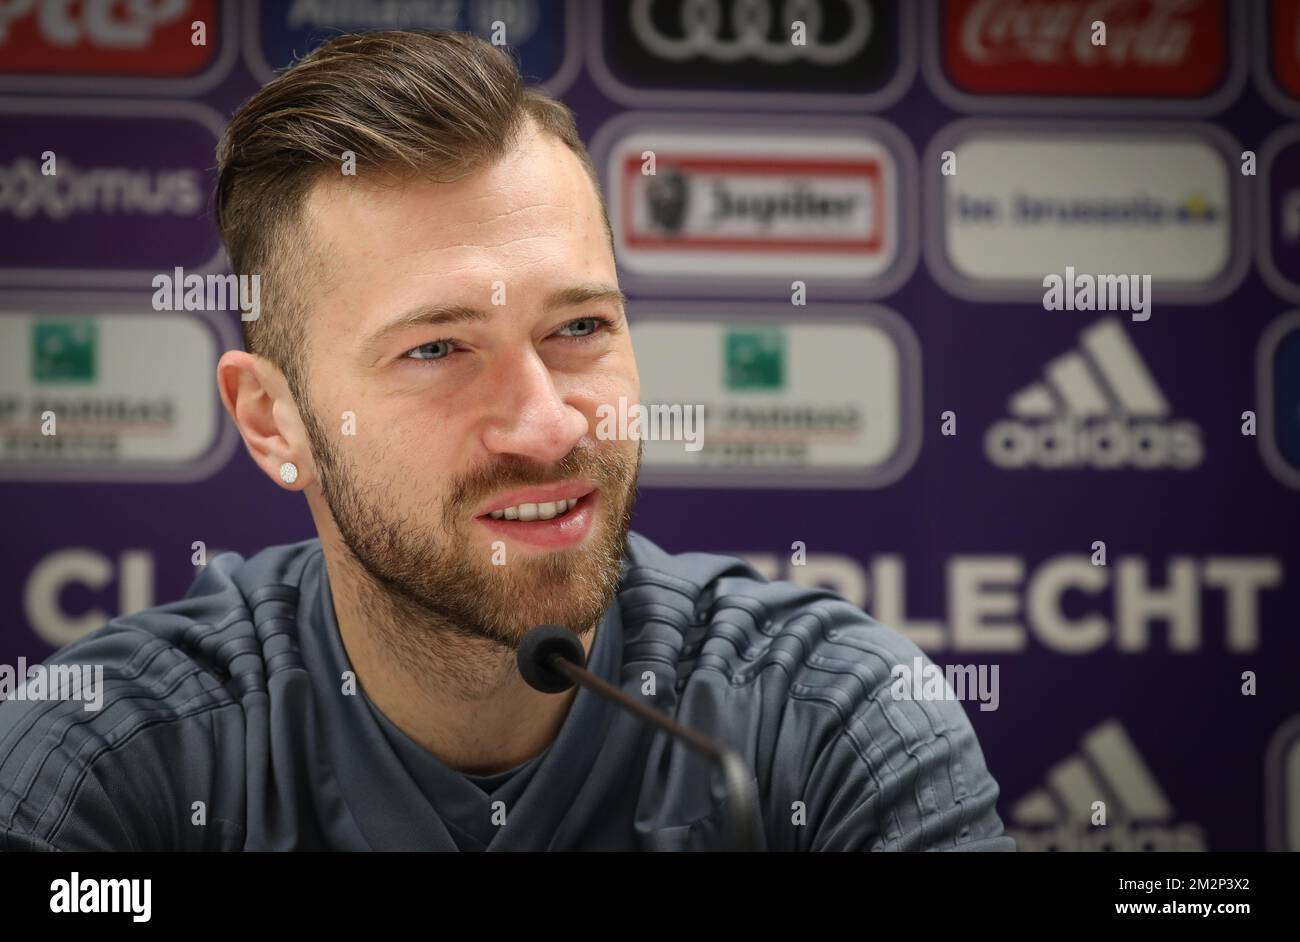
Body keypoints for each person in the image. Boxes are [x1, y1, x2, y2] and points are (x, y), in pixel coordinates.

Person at [0, 30, 1013, 852]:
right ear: (274, 422)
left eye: (579, 329)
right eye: (439, 348)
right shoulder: (111, 761)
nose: (546, 425)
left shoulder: (825, 719)